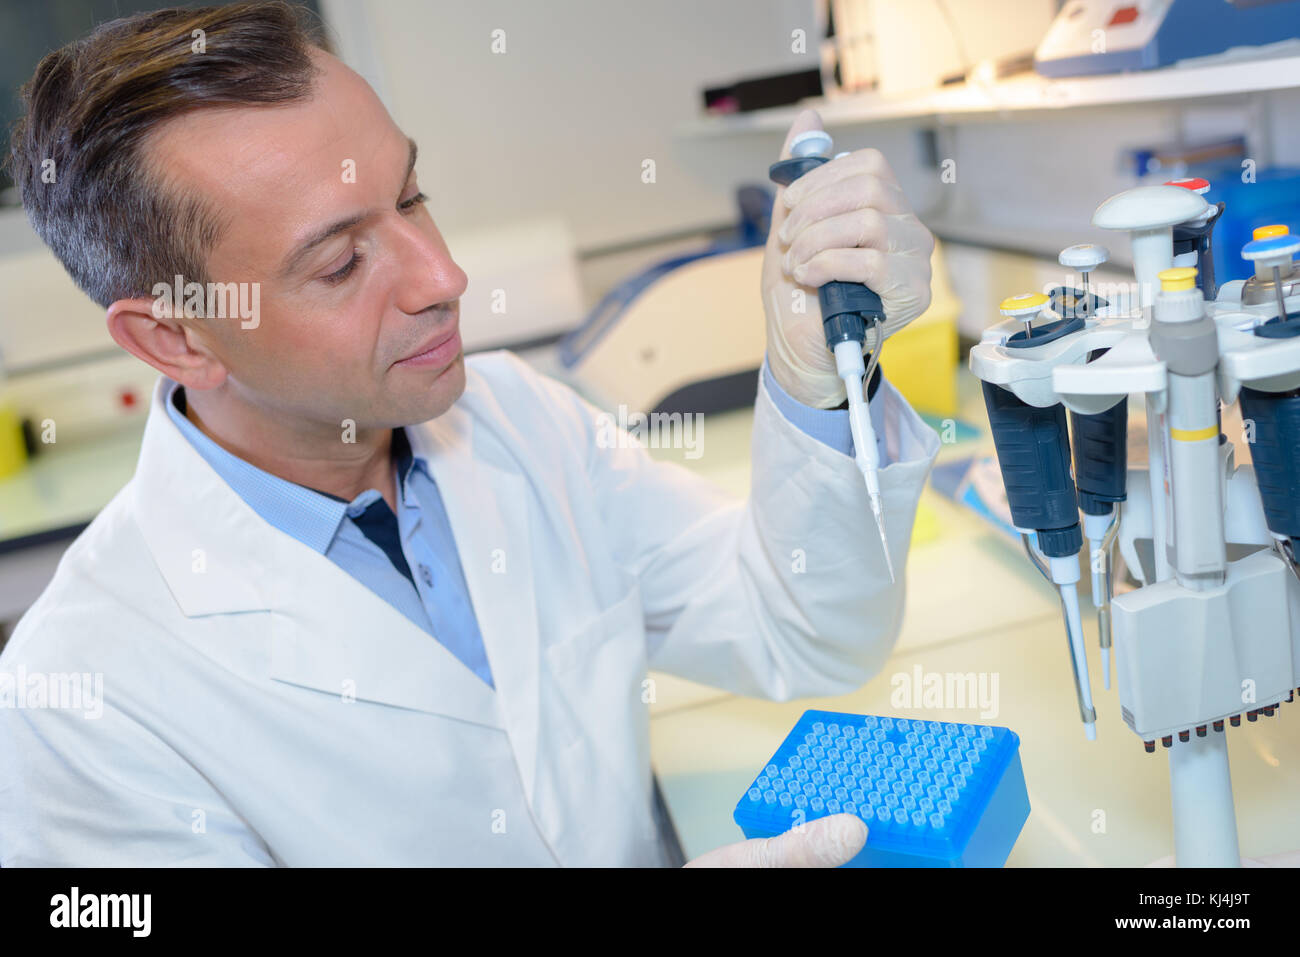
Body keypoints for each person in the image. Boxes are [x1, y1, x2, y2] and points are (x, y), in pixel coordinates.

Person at [0, 2, 939, 866]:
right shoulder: (81, 699)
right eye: (339, 262)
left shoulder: (513, 417)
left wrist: (820, 384)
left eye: (412, 198)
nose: (442, 274)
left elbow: (804, 632)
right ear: (178, 337)